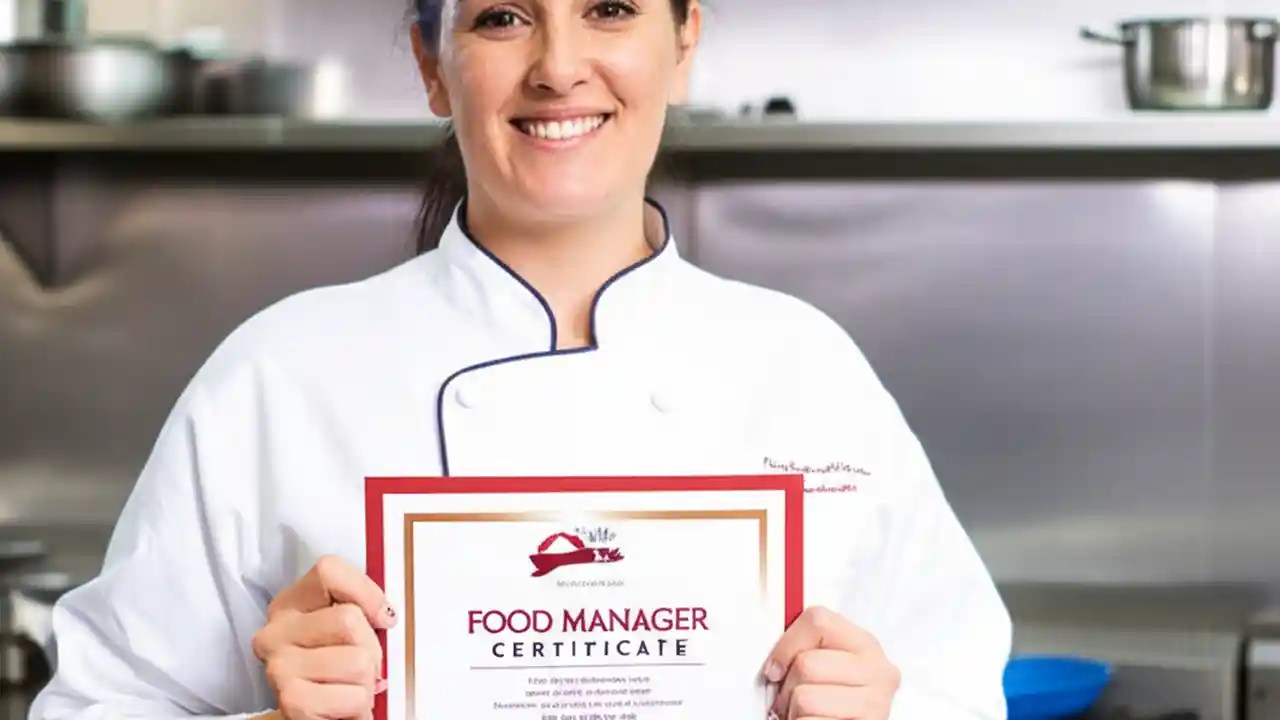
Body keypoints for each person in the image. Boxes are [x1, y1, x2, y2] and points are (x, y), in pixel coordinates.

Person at [30, 0, 1012, 718]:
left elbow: (961, 688)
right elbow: (99, 706)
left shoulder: (805, 366)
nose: (558, 66)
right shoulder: (280, 373)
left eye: (609, 11)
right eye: (502, 18)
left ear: (681, 45)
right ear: (428, 61)